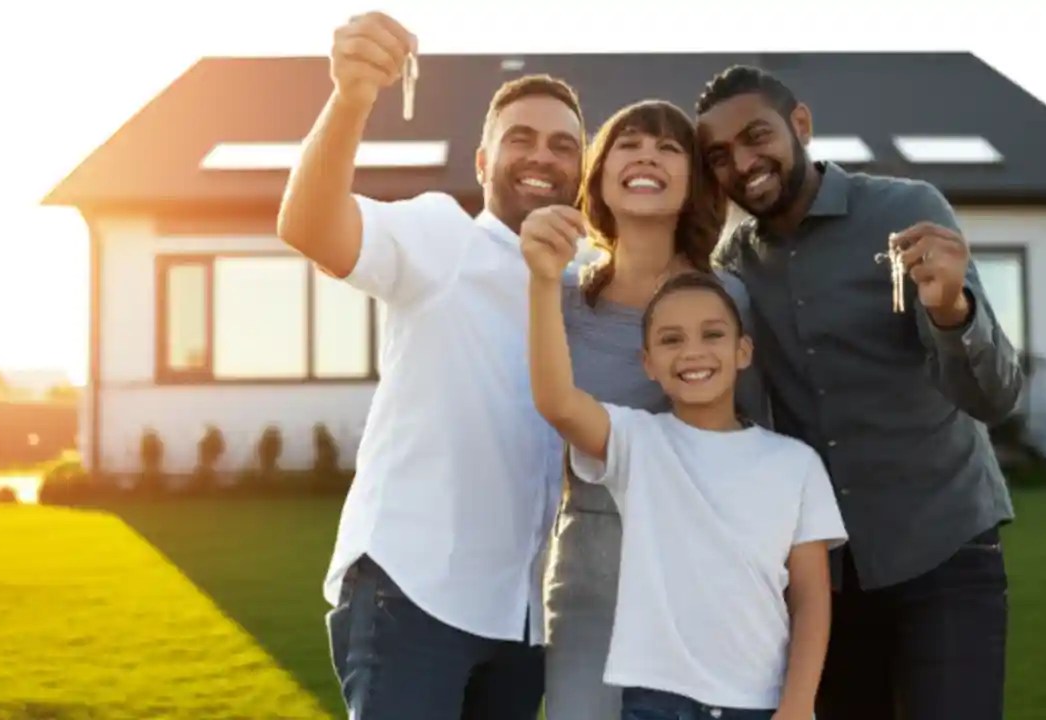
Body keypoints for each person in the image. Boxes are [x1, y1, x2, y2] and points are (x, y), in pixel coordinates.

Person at [275, 10, 586, 719]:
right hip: (413, 594)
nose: (542, 156)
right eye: (521, 140)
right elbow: (309, 225)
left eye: (563, 146)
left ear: (580, 170)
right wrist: (352, 96)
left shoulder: (586, 282)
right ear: (484, 163)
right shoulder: (441, 234)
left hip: (524, 617)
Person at [695, 64, 1024, 720]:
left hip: (945, 551)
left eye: (757, 136)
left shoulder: (908, 211)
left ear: (802, 125)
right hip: (828, 581)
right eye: (720, 156)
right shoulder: (730, 268)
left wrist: (953, 308)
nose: (743, 162)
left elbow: (997, 397)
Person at [523, 204, 849, 720]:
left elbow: (811, 598)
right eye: (671, 340)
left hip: (758, 704)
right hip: (657, 703)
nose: (693, 352)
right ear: (648, 364)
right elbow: (557, 402)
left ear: (743, 352)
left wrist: (799, 703)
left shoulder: (796, 464)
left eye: (712, 335)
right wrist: (543, 281)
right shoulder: (637, 444)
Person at [539, 99, 769, 720]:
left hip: (697, 568)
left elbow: (753, 445)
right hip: (589, 561)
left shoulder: (727, 298)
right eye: (629, 143)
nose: (647, 155)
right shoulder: (561, 297)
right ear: (600, 174)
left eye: (669, 148)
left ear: (693, 181)